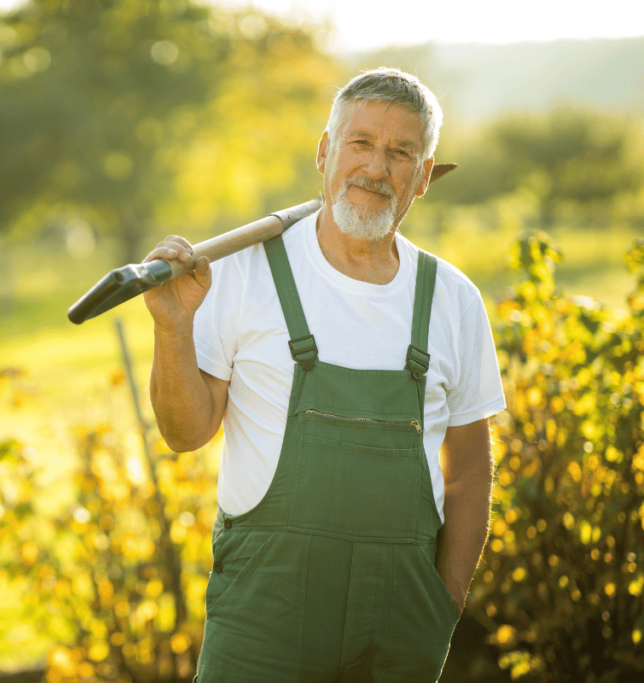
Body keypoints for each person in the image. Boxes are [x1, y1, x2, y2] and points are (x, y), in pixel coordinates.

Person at [143, 68, 506, 682]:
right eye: (359, 143)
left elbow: (470, 470)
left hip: (400, 629)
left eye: (400, 152)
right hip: (262, 618)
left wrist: (441, 607)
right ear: (324, 152)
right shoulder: (244, 273)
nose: (374, 167)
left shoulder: (452, 300)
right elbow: (184, 434)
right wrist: (172, 327)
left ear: (423, 177)